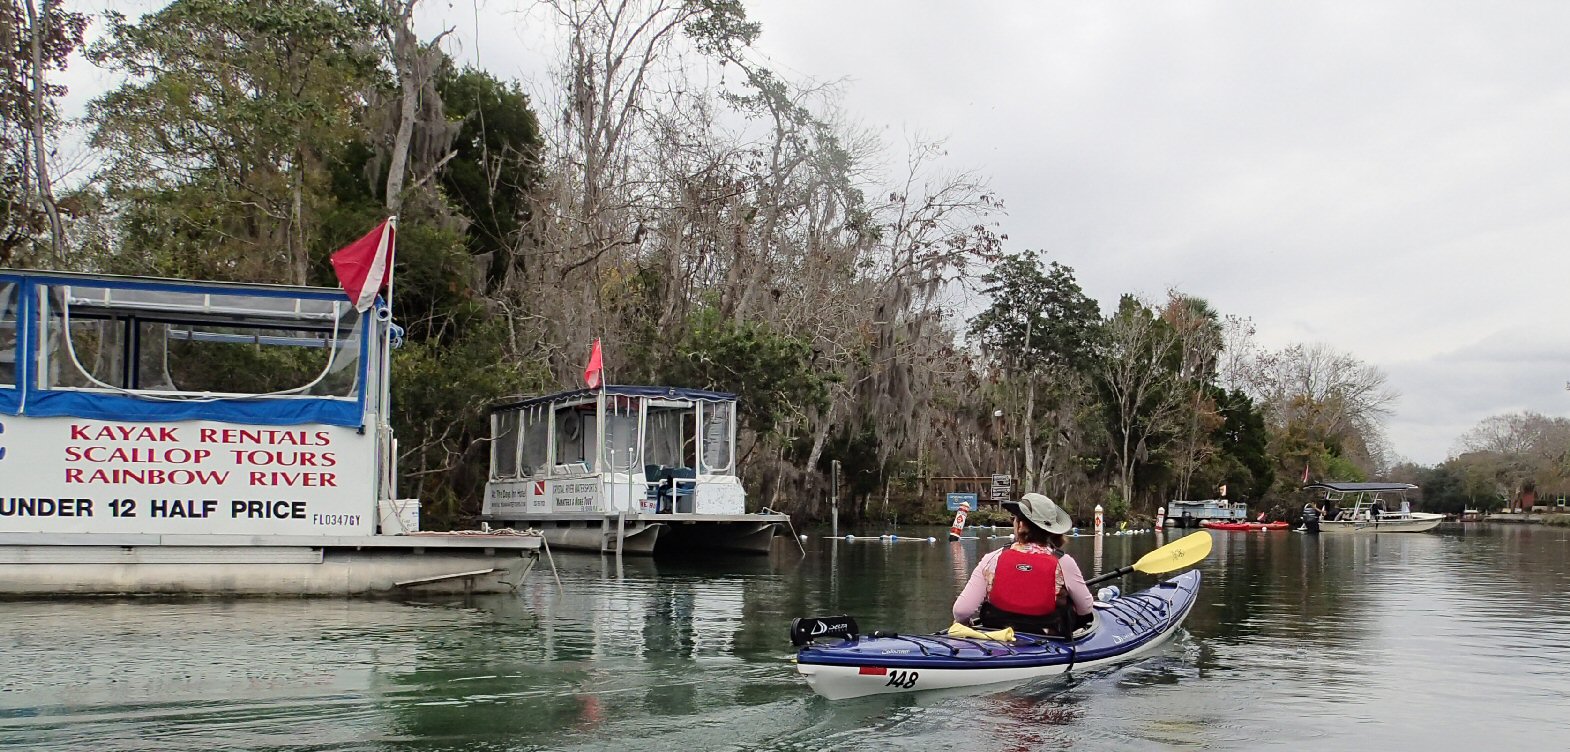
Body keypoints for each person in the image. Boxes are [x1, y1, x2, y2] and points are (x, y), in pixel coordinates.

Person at [952, 492, 1095, 635]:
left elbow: (961, 611)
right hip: (1048, 640)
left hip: (996, 637)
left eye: (1014, 518)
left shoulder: (991, 559)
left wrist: (966, 625)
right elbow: (1086, 608)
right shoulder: (1064, 562)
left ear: (1020, 525)